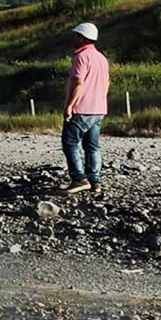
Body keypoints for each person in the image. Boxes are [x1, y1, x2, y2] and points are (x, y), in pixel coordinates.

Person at [62, 22, 109, 194]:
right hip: (99, 108)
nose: (73, 38)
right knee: (92, 146)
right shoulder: (102, 58)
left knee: (70, 142)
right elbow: (107, 83)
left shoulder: (81, 57)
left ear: (82, 37)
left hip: (81, 108)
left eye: (75, 35)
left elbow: (78, 81)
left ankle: (79, 178)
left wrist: (69, 105)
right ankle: (94, 181)